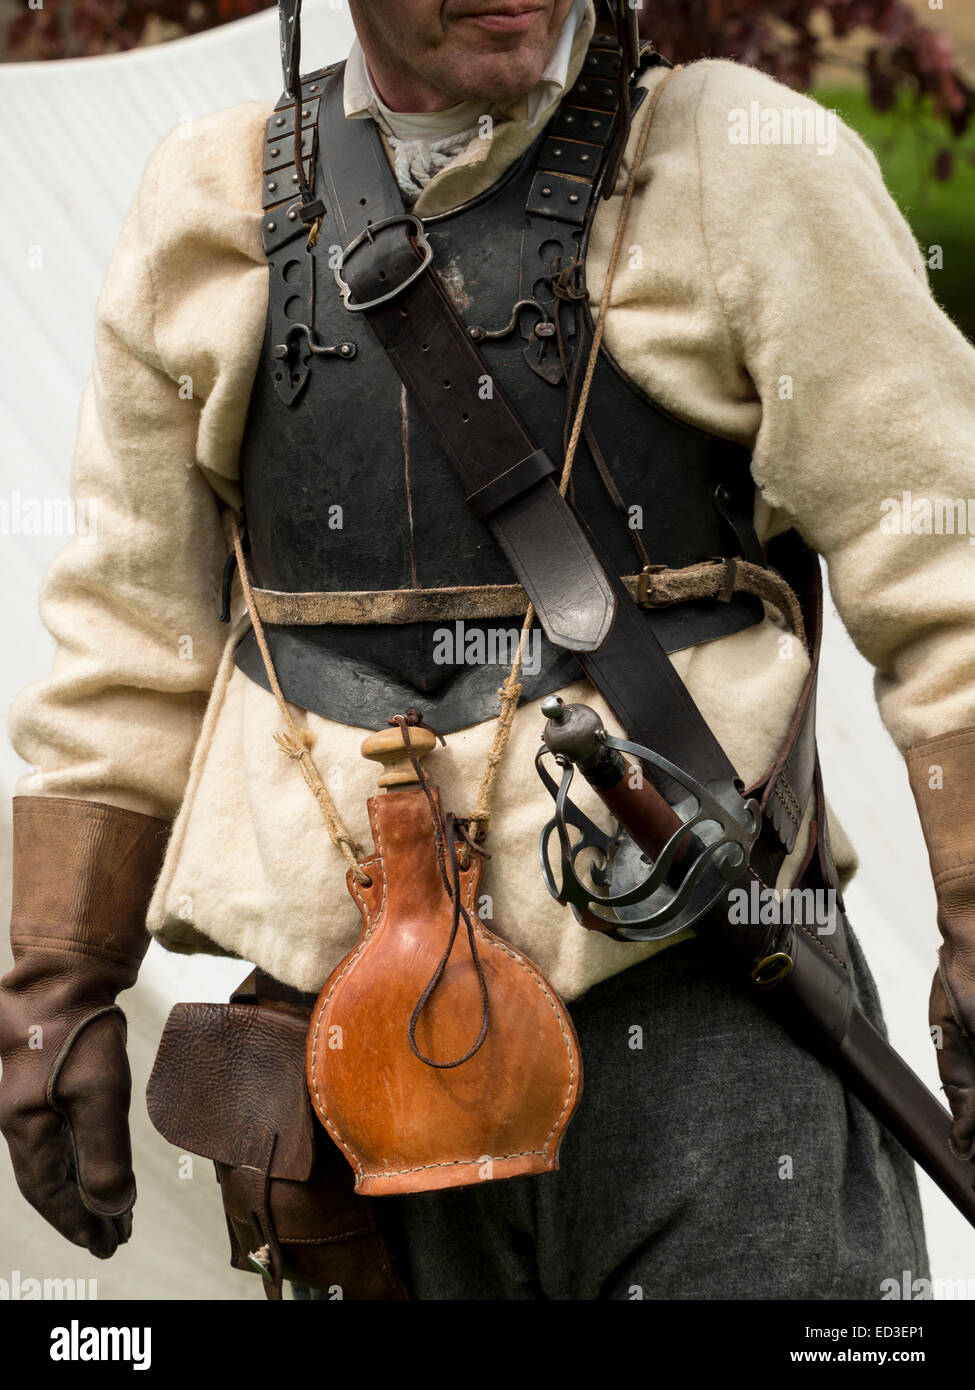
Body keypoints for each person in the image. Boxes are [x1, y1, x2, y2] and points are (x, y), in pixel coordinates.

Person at [2, 0, 973, 1300]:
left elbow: (949, 571)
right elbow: (128, 624)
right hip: (362, 1073)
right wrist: (59, 974)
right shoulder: (206, 208)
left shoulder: (747, 166)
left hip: (711, 1013)